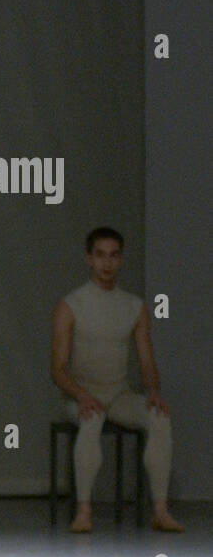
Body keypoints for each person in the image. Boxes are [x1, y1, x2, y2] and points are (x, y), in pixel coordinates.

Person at [51, 226, 181, 533]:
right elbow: (57, 369)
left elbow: (145, 358)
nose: (107, 263)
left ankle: (160, 510)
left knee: (160, 418)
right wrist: (81, 396)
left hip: (119, 394)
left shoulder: (134, 306)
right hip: (80, 395)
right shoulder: (70, 305)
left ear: (121, 259)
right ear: (88, 259)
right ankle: (83, 511)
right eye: (100, 255)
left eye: (114, 255)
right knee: (92, 418)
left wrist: (152, 391)